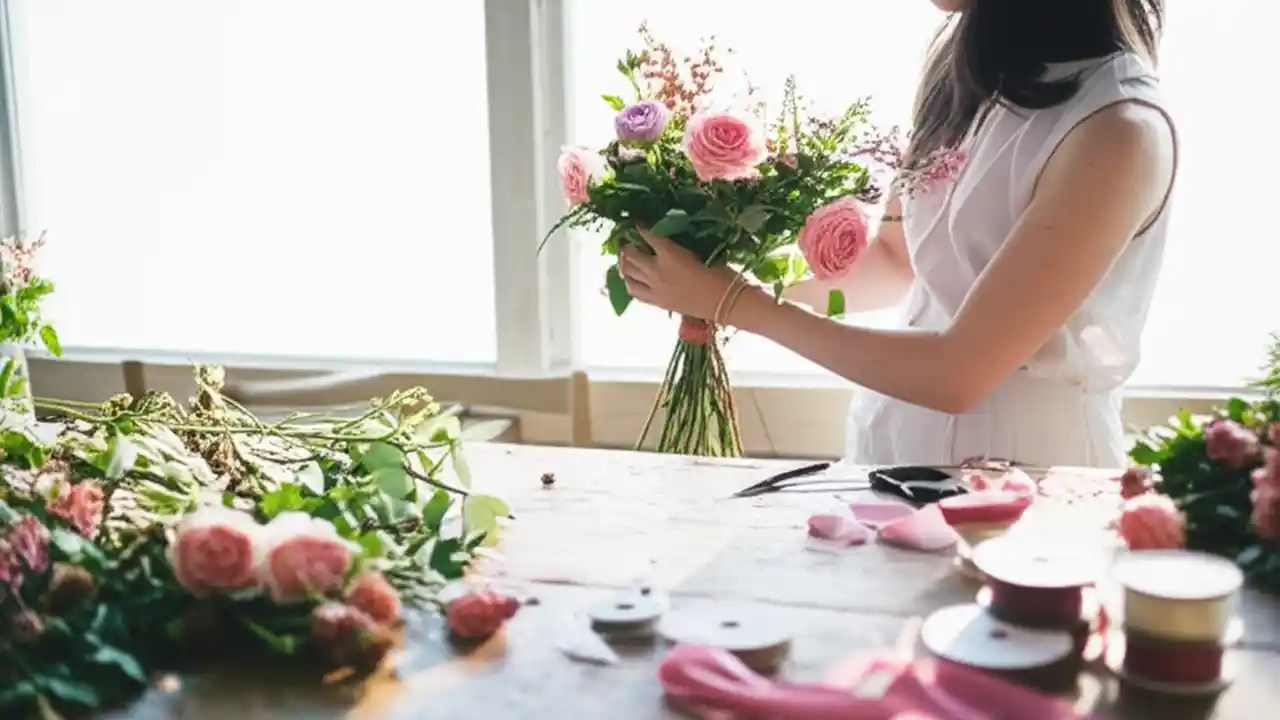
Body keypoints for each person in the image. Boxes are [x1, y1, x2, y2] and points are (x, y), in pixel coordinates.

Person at [617, 0, 1175, 468]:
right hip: (891, 448)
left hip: (1031, 477)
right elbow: (895, 260)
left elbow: (961, 372)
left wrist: (737, 302)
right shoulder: (969, 75)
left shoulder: (1117, 128)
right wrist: (716, 273)